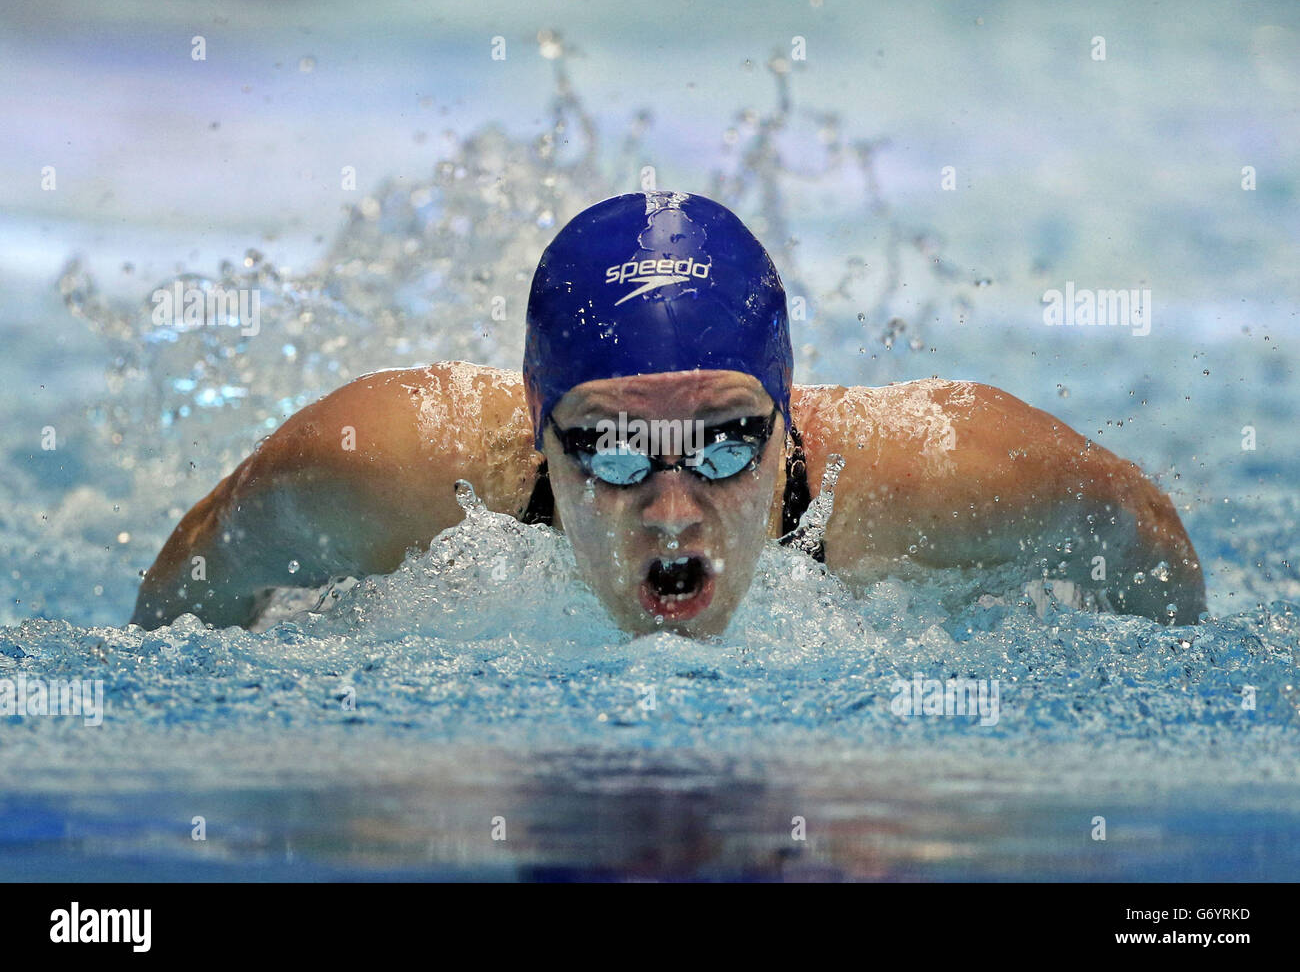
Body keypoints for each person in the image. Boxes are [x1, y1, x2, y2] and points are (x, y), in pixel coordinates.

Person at [131, 191, 1205, 635]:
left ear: (789, 418)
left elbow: (1142, 541)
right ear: (535, 426)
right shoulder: (383, 469)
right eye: (606, 450)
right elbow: (180, 624)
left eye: (730, 439)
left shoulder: (949, 471)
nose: (673, 510)